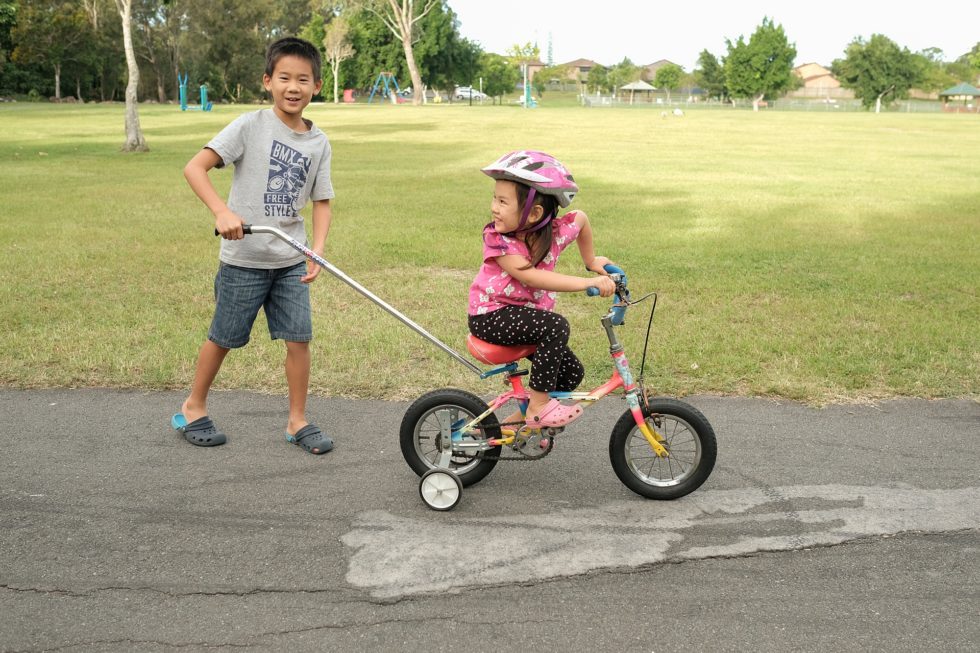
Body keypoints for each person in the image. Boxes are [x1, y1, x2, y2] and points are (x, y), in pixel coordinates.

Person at [171, 37, 335, 455]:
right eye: (284, 78)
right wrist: (221, 212)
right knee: (224, 336)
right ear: (268, 81)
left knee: (299, 340)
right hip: (244, 260)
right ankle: (193, 406)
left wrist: (316, 248)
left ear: (317, 85)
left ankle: (298, 420)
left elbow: (322, 201)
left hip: (289, 260)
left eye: (303, 79)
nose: (293, 87)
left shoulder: (318, 143)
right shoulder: (250, 125)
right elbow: (196, 167)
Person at [467, 150, 616, 429]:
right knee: (555, 326)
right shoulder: (499, 241)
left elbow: (580, 219)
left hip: (520, 317)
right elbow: (532, 277)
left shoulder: (555, 234)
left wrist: (592, 261)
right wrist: (588, 282)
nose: (494, 207)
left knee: (570, 373)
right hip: (490, 316)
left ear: (534, 213)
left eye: (502, 201)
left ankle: (514, 428)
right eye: (495, 199)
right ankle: (538, 409)